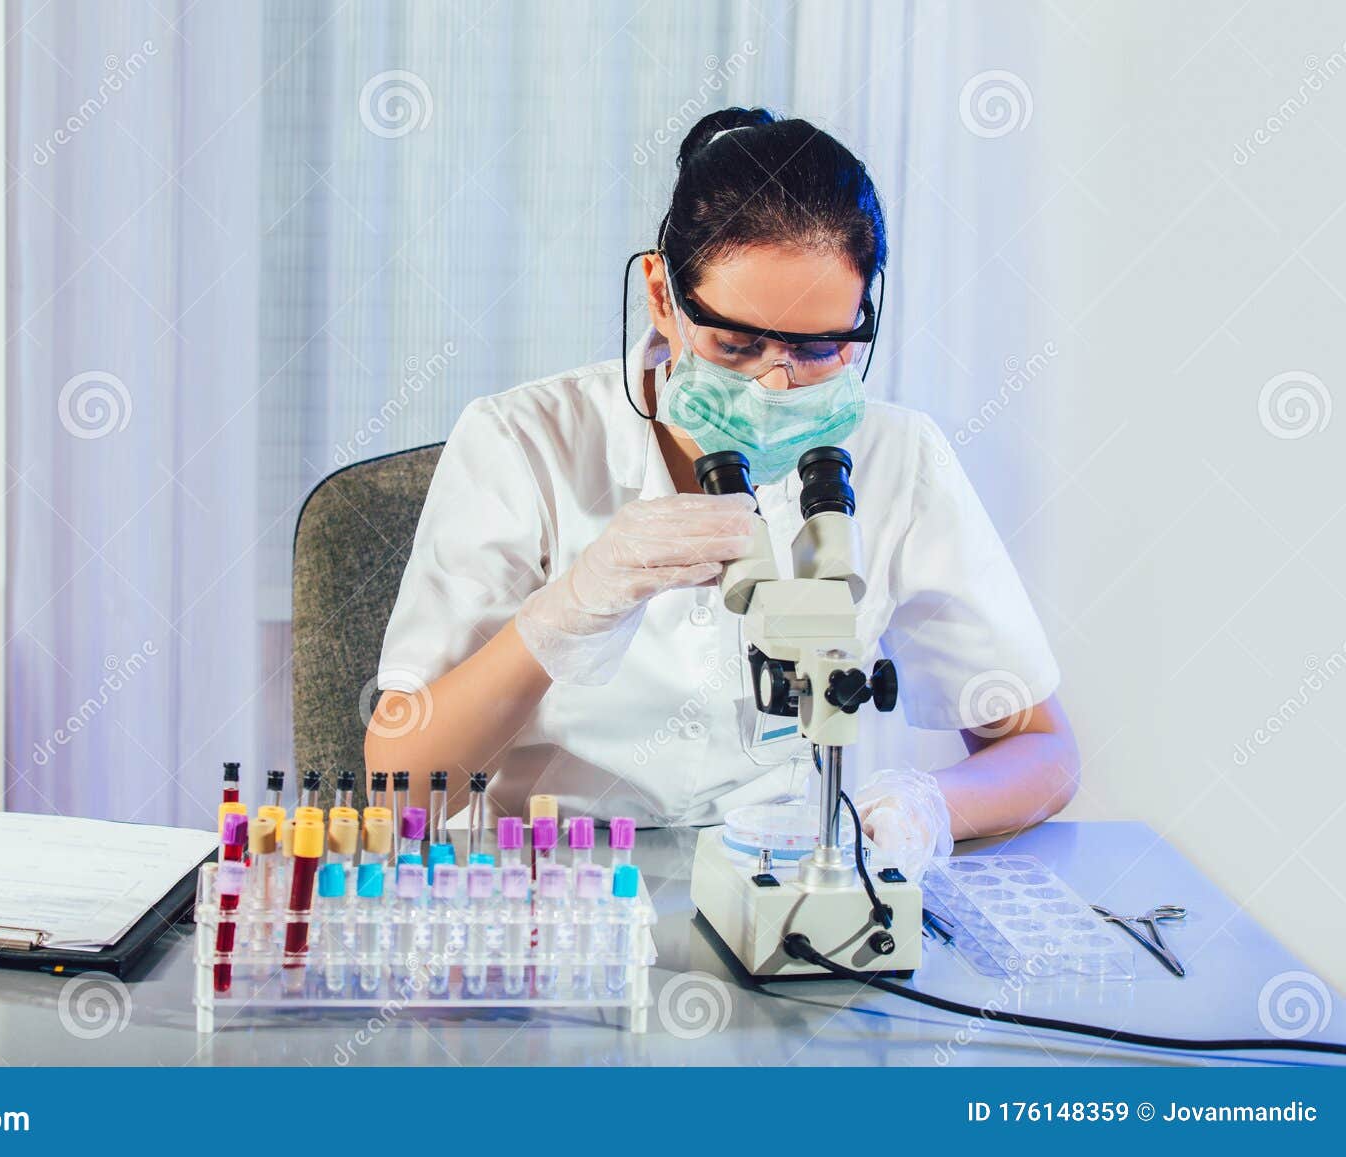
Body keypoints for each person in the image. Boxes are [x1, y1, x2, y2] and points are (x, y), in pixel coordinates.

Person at [365, 107, 1077, 873]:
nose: (775, 382)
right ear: (662, 296)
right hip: (556, 894)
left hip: (781, 881)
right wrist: (561, 616)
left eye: (819, 348)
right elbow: (398, 787)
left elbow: (1044, 750)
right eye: (736, 346)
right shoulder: (523, 441)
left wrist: (929, 805)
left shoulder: (897, 457)